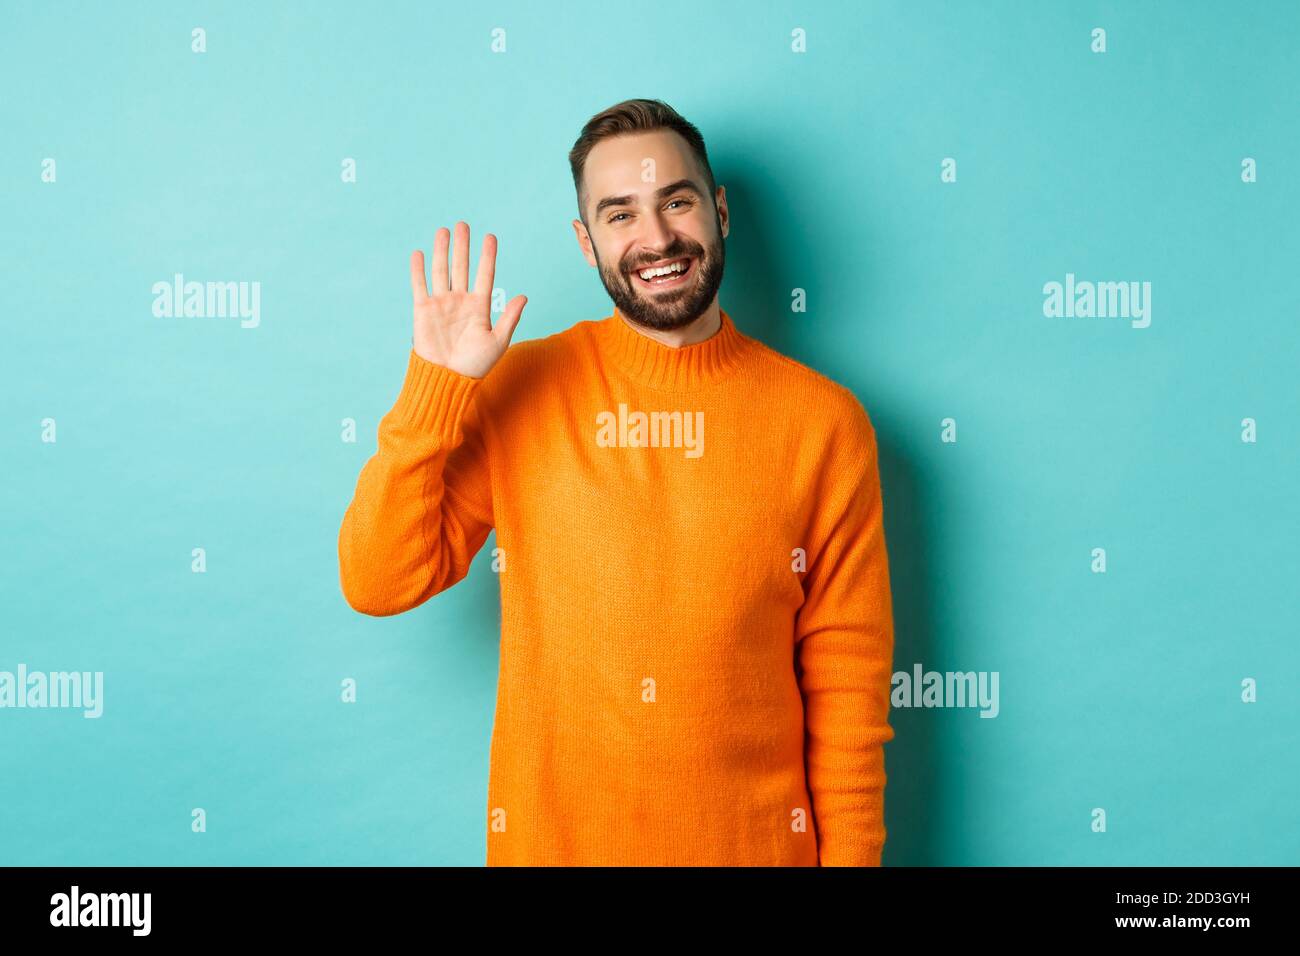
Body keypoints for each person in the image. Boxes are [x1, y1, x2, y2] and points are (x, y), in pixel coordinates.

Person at [338, 98, 896, 866]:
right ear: (586, 241)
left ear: (720, 211)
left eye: (676, 200)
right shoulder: (519, 391)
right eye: (620, 214)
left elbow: (848, 691)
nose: (657, 238)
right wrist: (436, 389)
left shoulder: (824, 424)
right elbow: (377, 580)